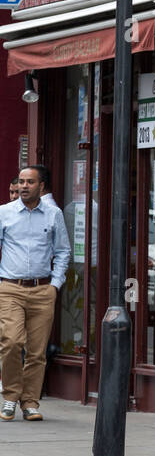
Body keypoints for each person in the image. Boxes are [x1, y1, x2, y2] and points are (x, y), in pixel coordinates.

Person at [0, 166, 71, 421]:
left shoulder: (54, 214)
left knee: (37, 351)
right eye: (21, 181)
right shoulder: (4, 213)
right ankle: (10, 397)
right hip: (10, 288)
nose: (24, 186)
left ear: (41, 186)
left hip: (43, 289)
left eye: (30, 182)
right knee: (11, 342)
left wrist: (55, 285)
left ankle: (29, 402)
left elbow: (63, 251)